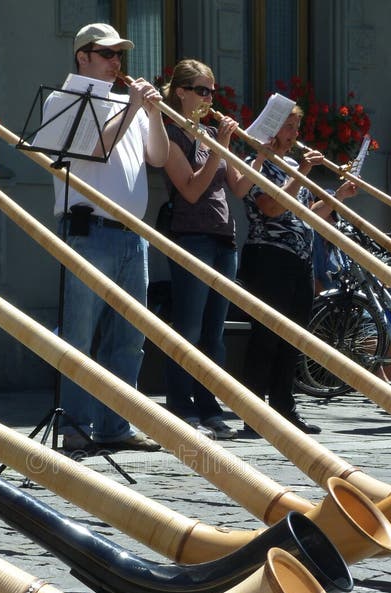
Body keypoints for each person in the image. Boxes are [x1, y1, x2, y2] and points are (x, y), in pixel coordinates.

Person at [44, 23, 167, 453]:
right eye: (108, 54)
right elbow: (94, 151)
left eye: (120, 56)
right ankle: (75, 426)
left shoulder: (124, 102)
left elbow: (158, 157)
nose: (117, 63)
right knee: (79, 335)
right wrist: (132, 110)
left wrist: (153, 113)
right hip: (88, 230)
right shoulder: (64, 101)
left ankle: (116, 425)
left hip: (132, 236)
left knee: (128, 339)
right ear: (83, 56)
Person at [240, 106, 357, 435]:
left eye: (296, 126)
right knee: (266, 336)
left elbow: (306, 214)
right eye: (289, 126)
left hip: (299, 259)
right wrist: (303, 170)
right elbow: (274, 208)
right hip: (269, 256)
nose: (294, 134)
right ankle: (253, 411)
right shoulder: (256, 166)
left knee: (294, 337)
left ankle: (283, 407)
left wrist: (336, 197)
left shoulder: (292, 167)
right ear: (273, 129)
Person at [161, 59, 261, 439]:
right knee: (187, 327)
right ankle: (180, 406)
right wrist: (219, 146)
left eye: (212, 92)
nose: (208, 98)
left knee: (214, 331)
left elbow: (238, 188)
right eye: (201, 91)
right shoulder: (171, 134)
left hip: (223, 237)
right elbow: (190, 189)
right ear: (182, 92)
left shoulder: (207, 134)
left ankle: (208, 405)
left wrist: (260, 152)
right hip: (192, 236)